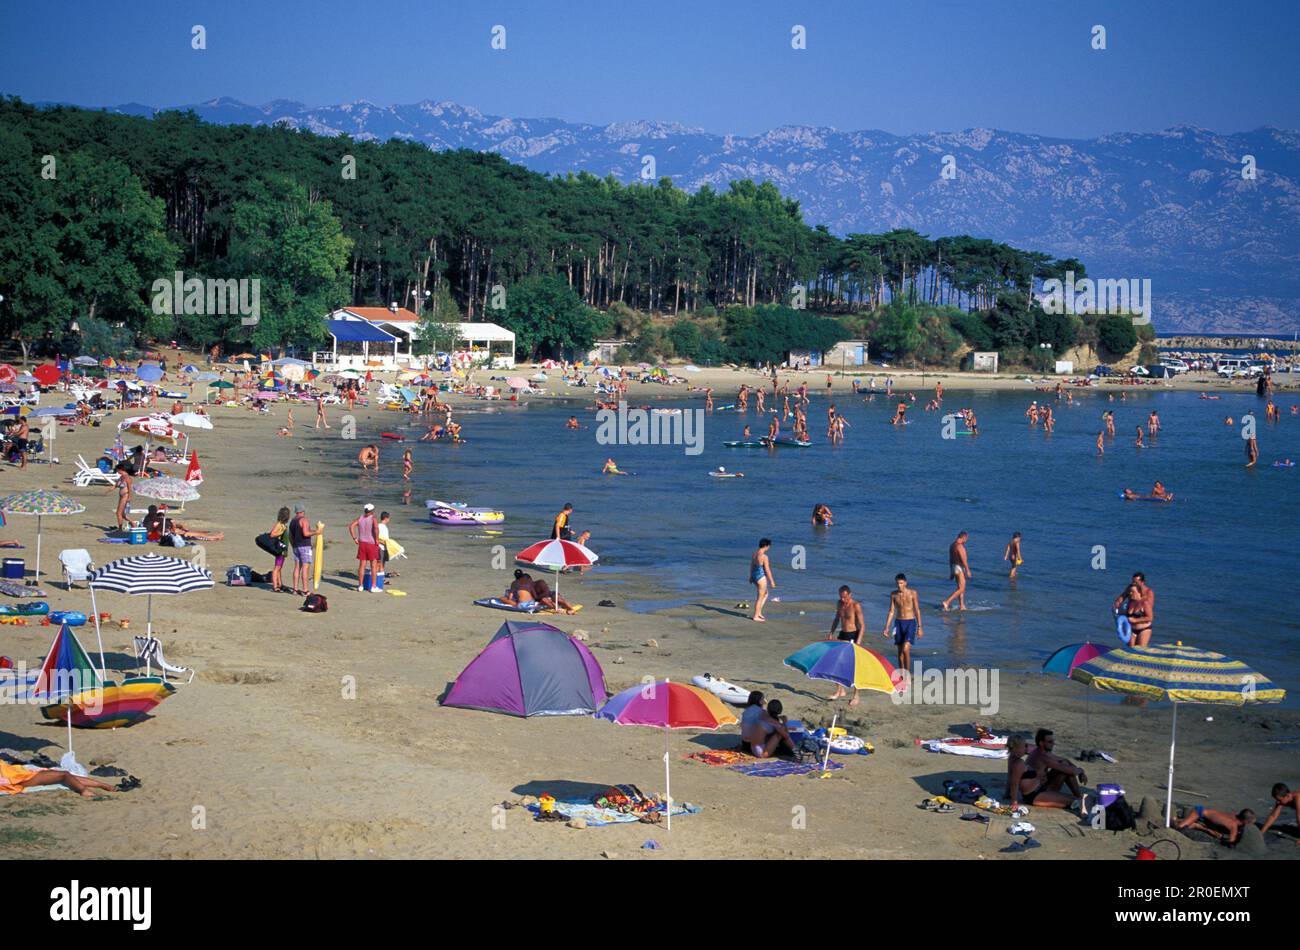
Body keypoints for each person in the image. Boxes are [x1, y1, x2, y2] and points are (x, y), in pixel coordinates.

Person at [1006, 735, 1078, 810]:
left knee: (1072, 799)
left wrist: (1006, 794)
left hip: (1040, 790)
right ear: (1016, 748)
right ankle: (1081, 801)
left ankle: (1079, 797)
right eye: (1024, 746)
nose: (1026, 748)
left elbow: (1010, 778)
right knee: (1072, 802)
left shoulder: (1011, 758)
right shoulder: (1018, 763)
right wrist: (1014, 802)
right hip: (1035, 795)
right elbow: (1014, 783)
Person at [1024, 729, 1088, 808]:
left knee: (1065, 765)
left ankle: (1078, 795)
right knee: (1076, 802)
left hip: (1041, 787)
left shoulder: (1042, 752)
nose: (1053, 744)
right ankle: (1078, 796)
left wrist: (1080, 773)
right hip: (1035, 794)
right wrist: (1081, 771)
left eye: (1053, 741)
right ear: (1041, 743)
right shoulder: (1043, 757)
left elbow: (1064, 760)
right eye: (1050, 742)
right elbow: (1072, 772)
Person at [828, 585, 865, 704]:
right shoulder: (839, 604)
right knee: (836, 662)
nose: (843, 599)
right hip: (843, 634)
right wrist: (831, 632)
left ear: (850, 594)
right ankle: (840, 690)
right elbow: (836, 619)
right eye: (841, 597)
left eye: (845, 597)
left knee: (854, 667)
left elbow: (863, 626)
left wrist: (858, 642)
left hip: (854, 635)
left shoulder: (855, 605)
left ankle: (856, 696)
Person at [881, 573, 922, 672]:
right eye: (897, 583)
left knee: (905, 649)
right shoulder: (893, 594)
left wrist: (920, 627)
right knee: (900, 652)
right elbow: (891, 611)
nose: (899, 585)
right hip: (898, 623)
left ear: (905, 583)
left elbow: (917, 610)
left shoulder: (913, 593)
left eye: (901, 583)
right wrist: (886, 627)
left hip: (910, 623)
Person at [740, 693, 794, 759]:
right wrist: (785, 721)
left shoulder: (746, 711)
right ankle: (794, 750)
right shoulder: (763, 713)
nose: (764, 700)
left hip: (746, 744)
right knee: (780, 734)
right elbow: (786, 735)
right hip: (759, 751)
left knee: (774, 732)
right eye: (763, 698)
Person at [1175, 805, 1255, 845]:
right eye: (1250, 823)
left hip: (1206, 816)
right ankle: (1174, 820)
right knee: (1180, 827)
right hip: (1200, 812)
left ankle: (1179, 819)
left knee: (1189, 824)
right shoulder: (1233, 825)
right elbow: (1231, 841)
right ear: (1245, 821)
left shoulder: (1234, 816)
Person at [1114, 572, 1154, 647]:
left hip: (1143, 628)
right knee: (1130, 651)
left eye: (1136, 582)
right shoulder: (1131, 588)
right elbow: (1123, 596)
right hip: (1131, 629)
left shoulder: (1148, 593)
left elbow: (1149, 616)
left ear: (1142, 582)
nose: (1133, 583)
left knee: (1139, 652)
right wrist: (1118, 602)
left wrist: (1136, 619)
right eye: (1133, 581)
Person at [349, 503, 382, 592]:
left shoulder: (360, 518)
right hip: (371, 543)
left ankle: (360, 586)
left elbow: (351, 526)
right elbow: (376, 528)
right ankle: (373, 587)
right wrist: (377, 539)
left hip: (362, 543)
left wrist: (355, 538)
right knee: (373, 565)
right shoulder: (373, 518)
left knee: (362, 565)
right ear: (372, 511)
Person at [289, 504, 319, 596]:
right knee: (305, 568)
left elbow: (290, 536)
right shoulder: (304, 520)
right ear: (303, 511)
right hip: (305, 546)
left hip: (296, 546)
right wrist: (316, 532)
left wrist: (293, 545)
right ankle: (305, 590)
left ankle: (295, 589)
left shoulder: (292, 521)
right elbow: (306, 533)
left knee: (297, 567)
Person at [941, 531, 972, 612]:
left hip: (954, 567)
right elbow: (964, 559)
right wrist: (968, 570)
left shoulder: (952, 545)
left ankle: (962, 606)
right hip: (959, 567)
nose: (967, 540)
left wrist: (951, 571)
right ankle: (947, 602)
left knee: (960, 587)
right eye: (967, 539)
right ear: (963, 537)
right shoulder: (960, 546)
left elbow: (950, 559)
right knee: (962, 588)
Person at [748, 539, 774, 622]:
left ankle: (759, 613)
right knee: (760, 597)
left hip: (754, 576)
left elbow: (752, 566)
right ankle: (756, 616)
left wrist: (751, 577)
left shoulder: (754, 554)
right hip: (761, 577)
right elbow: (767, 570)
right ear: (766, 546)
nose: (769, 548)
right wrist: (772, 581)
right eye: (769, 546)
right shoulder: (764, 556)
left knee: (765, 594)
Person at [268, 506, 291, 593]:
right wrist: (281, 532)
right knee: (277, 568)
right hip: (279, 550)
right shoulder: (279, 525)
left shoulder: (282, 525)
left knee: (279, 567)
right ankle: (275, 586)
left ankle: (280, 584)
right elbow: (272, 534)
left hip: (282, 550)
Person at [114, 464, 134, 531]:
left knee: (119, 513)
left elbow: (129, 488)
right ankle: (133, 524)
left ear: (120, 469)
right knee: (122, 514)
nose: (116, 471)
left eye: (117, 470)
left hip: (125, 496)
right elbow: (116, 485)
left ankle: (120, 529)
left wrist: (129, 497)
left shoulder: (127, 477)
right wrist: (108, 490)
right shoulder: (121, 477)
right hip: (122, 496)